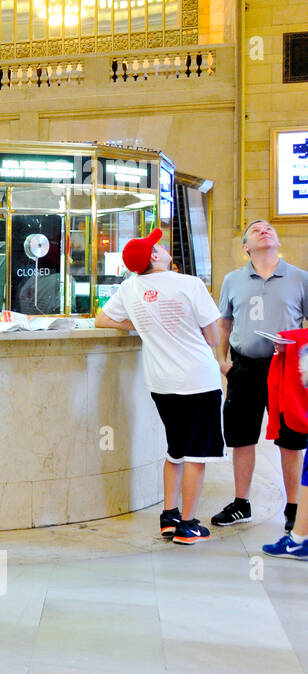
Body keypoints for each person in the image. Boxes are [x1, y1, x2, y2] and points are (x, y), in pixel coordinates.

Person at [95, 228, 224, 544]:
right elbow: (212, 336)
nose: (166, 248)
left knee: (175, 449)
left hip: (161, 384)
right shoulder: (189, 284)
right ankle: (189, 524)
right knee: (197, 455)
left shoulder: (130, 288)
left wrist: (140, 324)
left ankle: (169, 516)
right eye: (160, 246)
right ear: (154, 256)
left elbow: (102, 319)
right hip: (198, 381)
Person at [213, 219, 308, 532]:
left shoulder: (299, 278)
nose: (264, 230)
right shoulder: (232, 280)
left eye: (269, 228)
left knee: (290, 440)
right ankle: (242, 504)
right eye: (255, 229)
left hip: (286, 369)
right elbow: (225, 323)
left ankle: (292, 508)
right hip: (245, 366)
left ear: (278, 241)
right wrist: (222, 360)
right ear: (246, 247)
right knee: (241, 437)